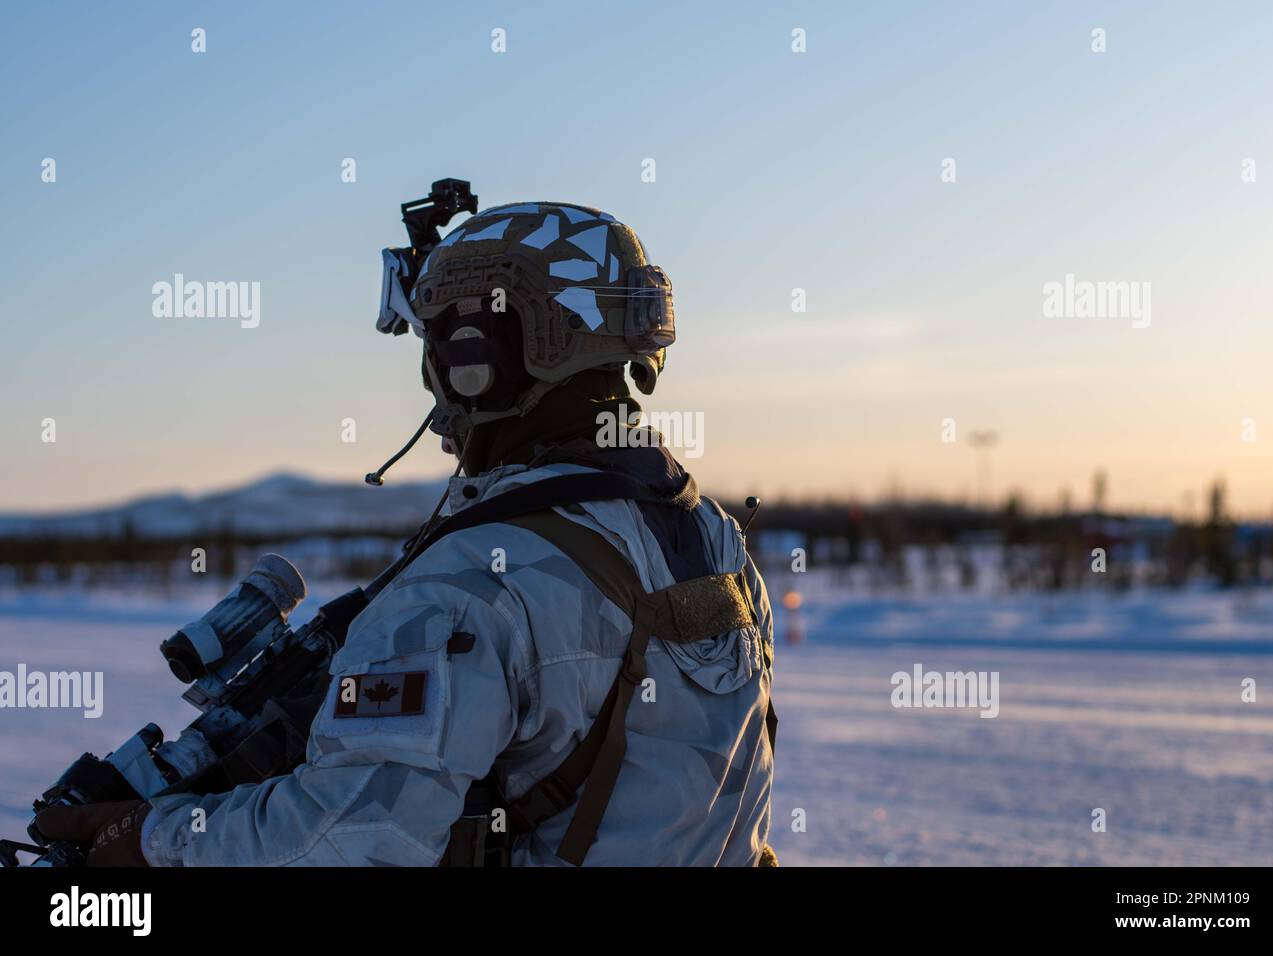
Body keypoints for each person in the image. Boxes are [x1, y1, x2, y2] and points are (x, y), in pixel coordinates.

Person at [36, 198, 777, 867]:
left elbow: (339, 842)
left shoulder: (469, 585)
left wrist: (149, 839)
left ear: (480, 357)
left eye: (441, 346)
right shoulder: (715, 541)